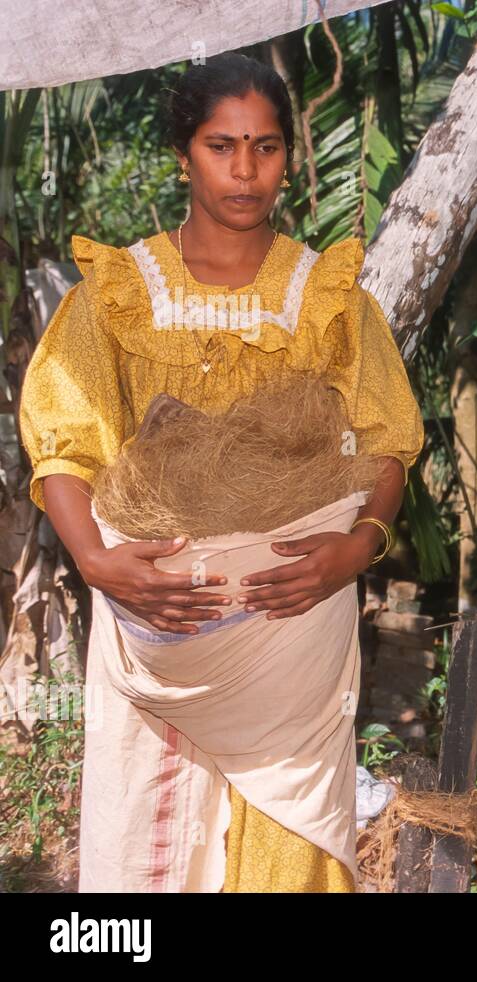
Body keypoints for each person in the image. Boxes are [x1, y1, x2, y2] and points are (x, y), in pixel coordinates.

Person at [18, 53, 424, 892]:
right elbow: (65, 440)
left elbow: (388, 441)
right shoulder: (116, 291)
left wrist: (359, 546)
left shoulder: (330, 296)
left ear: (290, 156)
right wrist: (94, 561)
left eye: (266, 147)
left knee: (289, 837)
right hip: (154, 626)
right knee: (145, 827)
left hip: (294, 628)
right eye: (221, 146)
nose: (246, 171)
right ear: (183, 154)